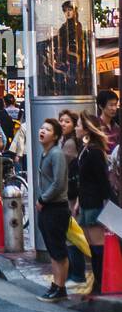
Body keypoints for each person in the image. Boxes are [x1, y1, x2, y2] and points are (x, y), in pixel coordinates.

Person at [74, 112, 113, 297]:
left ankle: (100, 282)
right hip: (87, 201)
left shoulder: (94, 151)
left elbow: (102, 181)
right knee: (92, 244)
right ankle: (98, 282)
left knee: (97, 245)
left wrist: (111, 205)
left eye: (78, 124)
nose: (76, 127)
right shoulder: (86, 149)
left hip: (95, 202)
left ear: (87, 128)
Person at [36, 118, 70, 301]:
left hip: (56, 207)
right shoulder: (45, 153)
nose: (42, 131)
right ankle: (56, 284)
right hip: (48, 207)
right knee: (52, 247)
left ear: (55, 135)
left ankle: (60, 287)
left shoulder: (56, 154)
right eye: (42, 128)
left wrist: (43, 198)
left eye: (48, 129)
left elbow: (58, 183)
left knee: (58, 249)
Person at [59, 110, 86, 285]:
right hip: (73, 193)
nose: (63, 124)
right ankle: (75, 272)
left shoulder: (69, 144)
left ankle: (76, 273)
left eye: (68, 121)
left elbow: (60, 170)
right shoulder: (69, 142)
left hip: (71, 195)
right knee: (72, 233)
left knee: (71, 234)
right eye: (61, 120)